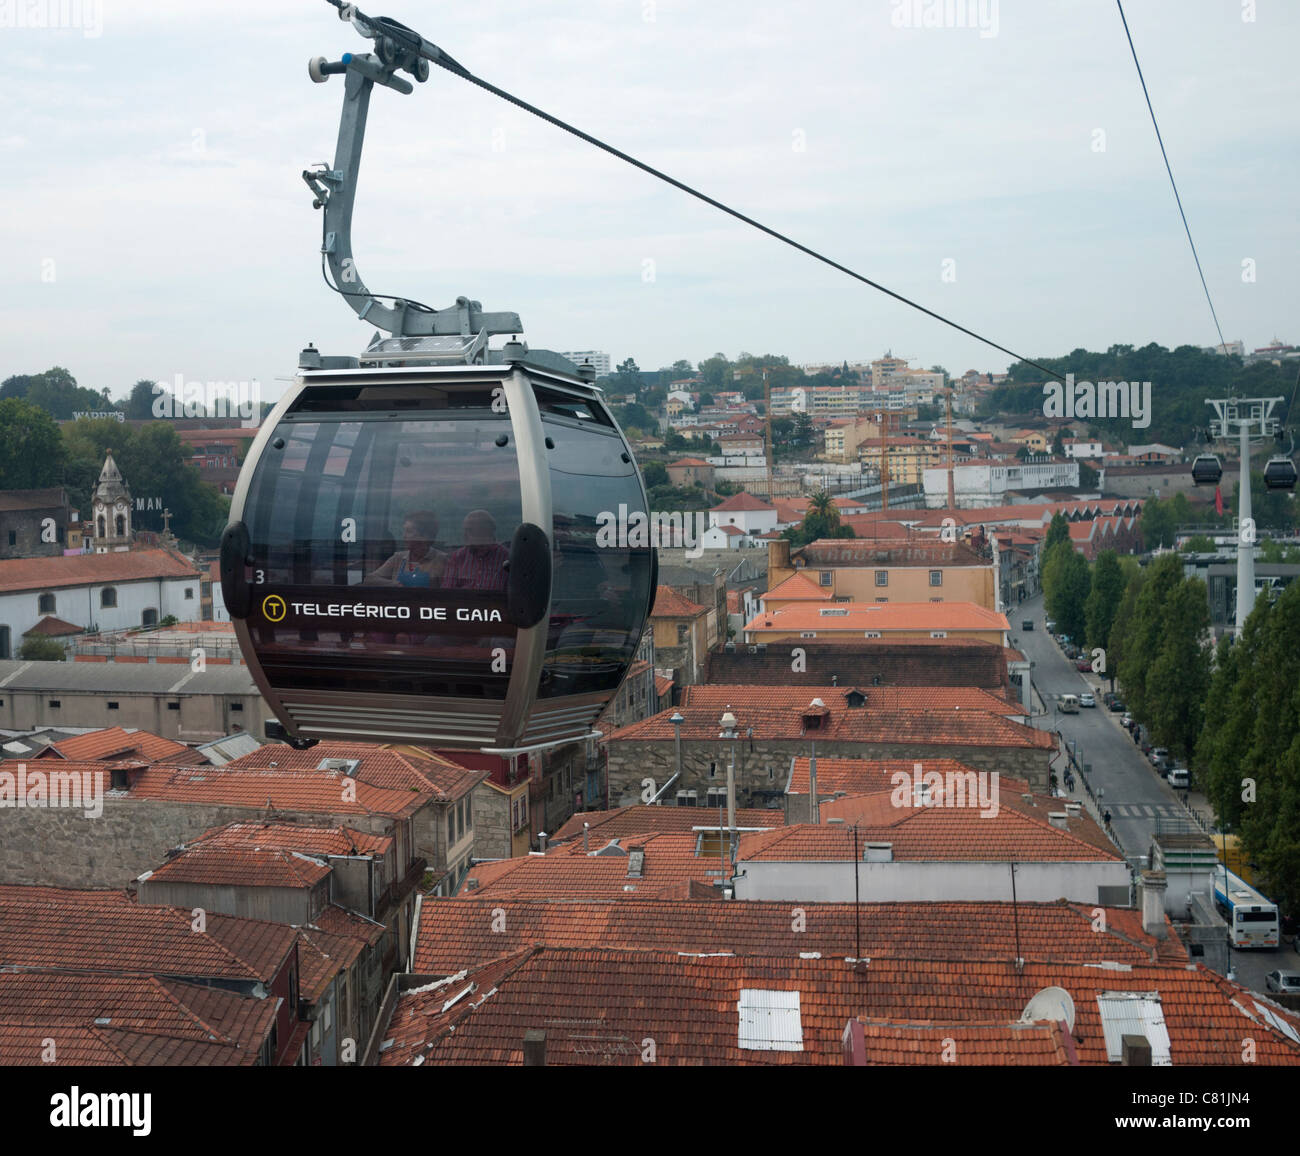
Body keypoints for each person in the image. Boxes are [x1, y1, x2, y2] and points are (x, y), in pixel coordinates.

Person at [367, 511, 445, 587]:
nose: (404, 536)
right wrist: (395, 584)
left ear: (424, 536)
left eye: (409, 531)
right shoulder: (398, 558)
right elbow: (369, 579)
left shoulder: (442, 560)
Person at [441, 509, 510, 591]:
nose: (465, 535)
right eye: (466, 530)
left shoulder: (507, 558)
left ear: (489, 531)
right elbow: (448, 592)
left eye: (471, 530)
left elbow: (514, 595)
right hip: (461, 603)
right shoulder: (456, 558)